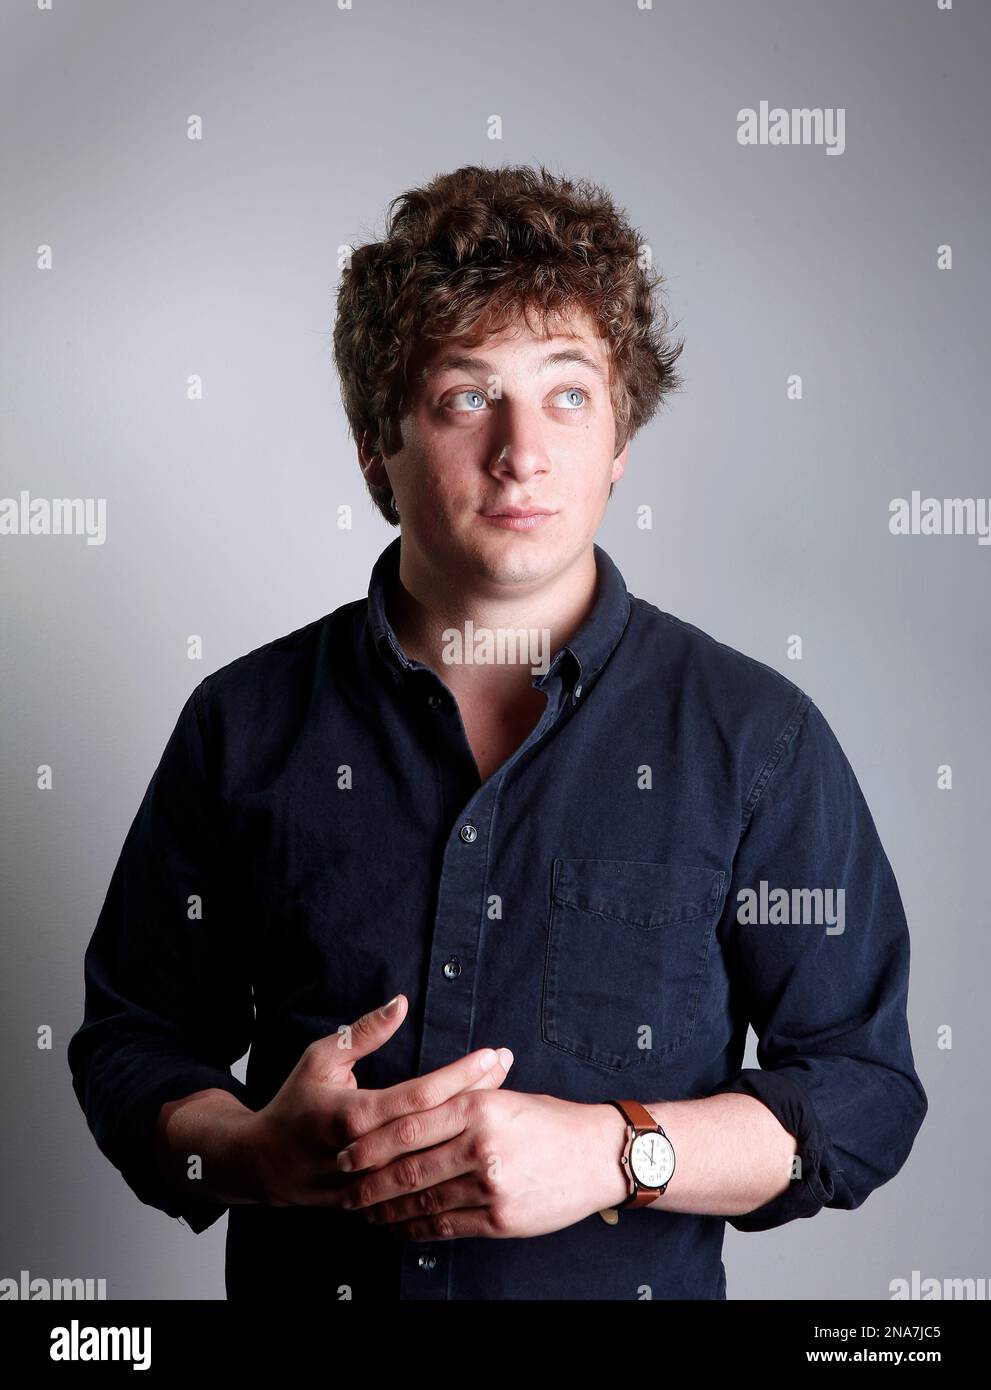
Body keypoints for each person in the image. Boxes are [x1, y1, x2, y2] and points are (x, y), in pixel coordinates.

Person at [68, 163, 927, 1300]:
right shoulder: (243, 724)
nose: (523, 451)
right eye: (466, 396)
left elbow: (862, 1091)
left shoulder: (755, 740)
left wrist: (619, 1151)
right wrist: (251, 1153)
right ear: (378, 445)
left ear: (620, 438)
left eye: (568, 394)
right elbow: (132, 1042)